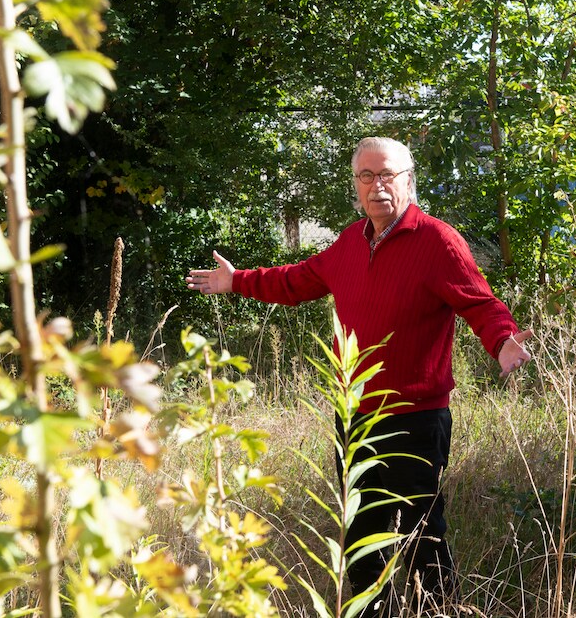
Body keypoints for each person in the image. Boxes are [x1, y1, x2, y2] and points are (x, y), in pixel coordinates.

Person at [186, 136, 532, 615]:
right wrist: (237, 280)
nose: (377, 186)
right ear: (357, 186)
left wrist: (503, 340)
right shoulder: (351, 242)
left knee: (422, 536)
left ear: (408, 180)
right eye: (366, 176)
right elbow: (296, 280)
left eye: (387, 174)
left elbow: (479, 303)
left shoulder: (437, 240)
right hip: (354, 417)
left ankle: (435, 611)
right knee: (362, 539)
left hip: (416, 416)